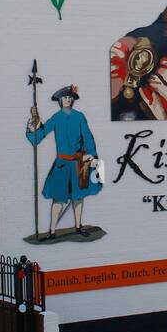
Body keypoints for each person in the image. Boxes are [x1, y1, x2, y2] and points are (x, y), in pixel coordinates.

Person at [26, 85, 102, 237]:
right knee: (58, 198)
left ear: (72, 100)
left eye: (70, 98)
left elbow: (88, 137)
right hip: (61, 164)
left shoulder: (79, 116)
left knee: (78, 197)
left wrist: (92, 155)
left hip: (79, 162)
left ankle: (78, 226)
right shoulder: (56, 118)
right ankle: (52, 231)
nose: (67, 100)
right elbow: (40, 135)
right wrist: (32, 126)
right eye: (64, 98)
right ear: (60, 101)